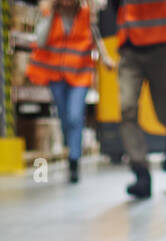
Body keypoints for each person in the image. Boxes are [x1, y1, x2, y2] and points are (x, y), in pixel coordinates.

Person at [109, 0, 166, 198]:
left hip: (162, 46)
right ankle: (141, 173)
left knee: (161, 110)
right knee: (127, 109)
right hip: (130, 48)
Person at [27, 0, 114, 183]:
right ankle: (71, 150)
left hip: (80, 74)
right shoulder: (49, 13)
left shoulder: (85, 14)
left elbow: (95, 36)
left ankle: (74, 159)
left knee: (75, 116)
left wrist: (105, 58)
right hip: (56, 75)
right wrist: (49, 14)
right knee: (65, 118)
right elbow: (40, 40)